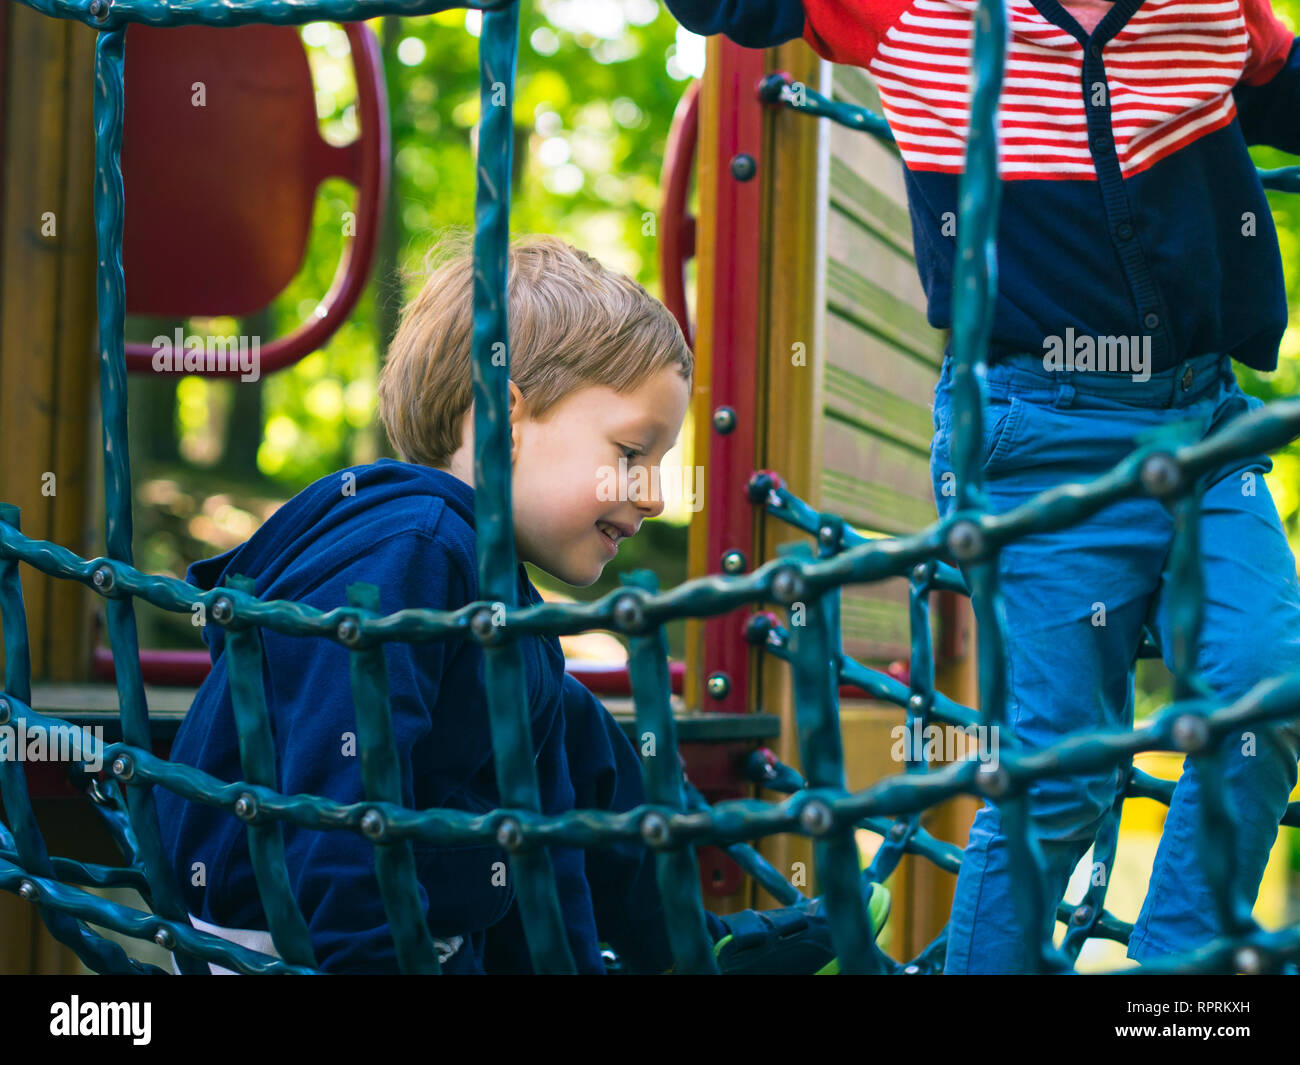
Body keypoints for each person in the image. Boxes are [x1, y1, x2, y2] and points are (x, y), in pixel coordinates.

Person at [664, 0, 1300, 972]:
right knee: (1062, 772)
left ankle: (1175, 988)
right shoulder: (910, 9)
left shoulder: (1212, 8)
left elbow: (1281, 93)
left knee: (1269, 691)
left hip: (1207, 423)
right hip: (1038, 432)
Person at [156, 232, 888, 974]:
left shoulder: (482, 581)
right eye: (632, 453)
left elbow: (547, 831)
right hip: (301, 944)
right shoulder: (409, 550)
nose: (656, 495)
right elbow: (338, 799)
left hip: (423, 920)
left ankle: (683, 948)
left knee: (564, 715)